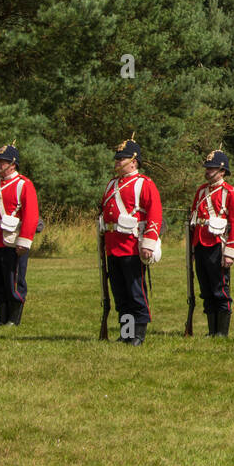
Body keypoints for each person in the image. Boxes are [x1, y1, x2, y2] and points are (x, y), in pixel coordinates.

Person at [99, 135, 163, 346]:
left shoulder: (144, 184)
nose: (117, 162)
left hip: (131, 247)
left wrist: (148, 243)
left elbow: (154, 214)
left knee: (136, 292)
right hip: (113, 245)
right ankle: (126, 333)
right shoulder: (112, 184)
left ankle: (138, 334)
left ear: (133, 161)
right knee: (120, 294)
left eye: (122, 159)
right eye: (117, 159)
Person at [188, 149, 234, 337]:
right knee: (205, 288)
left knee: (219, 288)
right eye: (207, 167)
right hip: (201, 244)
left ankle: (222, 331)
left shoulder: (231, 193)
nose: (208, 171)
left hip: (218, 245)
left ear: (222, 171)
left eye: (212, 168)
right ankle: (211, 330)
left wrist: (231, 251)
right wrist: (193, 248)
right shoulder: (201, 191)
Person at [0, 144, 40, 327]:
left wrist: (24, 241)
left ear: (13, 164)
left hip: (13, 239)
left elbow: (31, 215)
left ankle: (13, 318)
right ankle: (1, 316)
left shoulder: (23, 184)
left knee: (13, 278)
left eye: (3, 162)